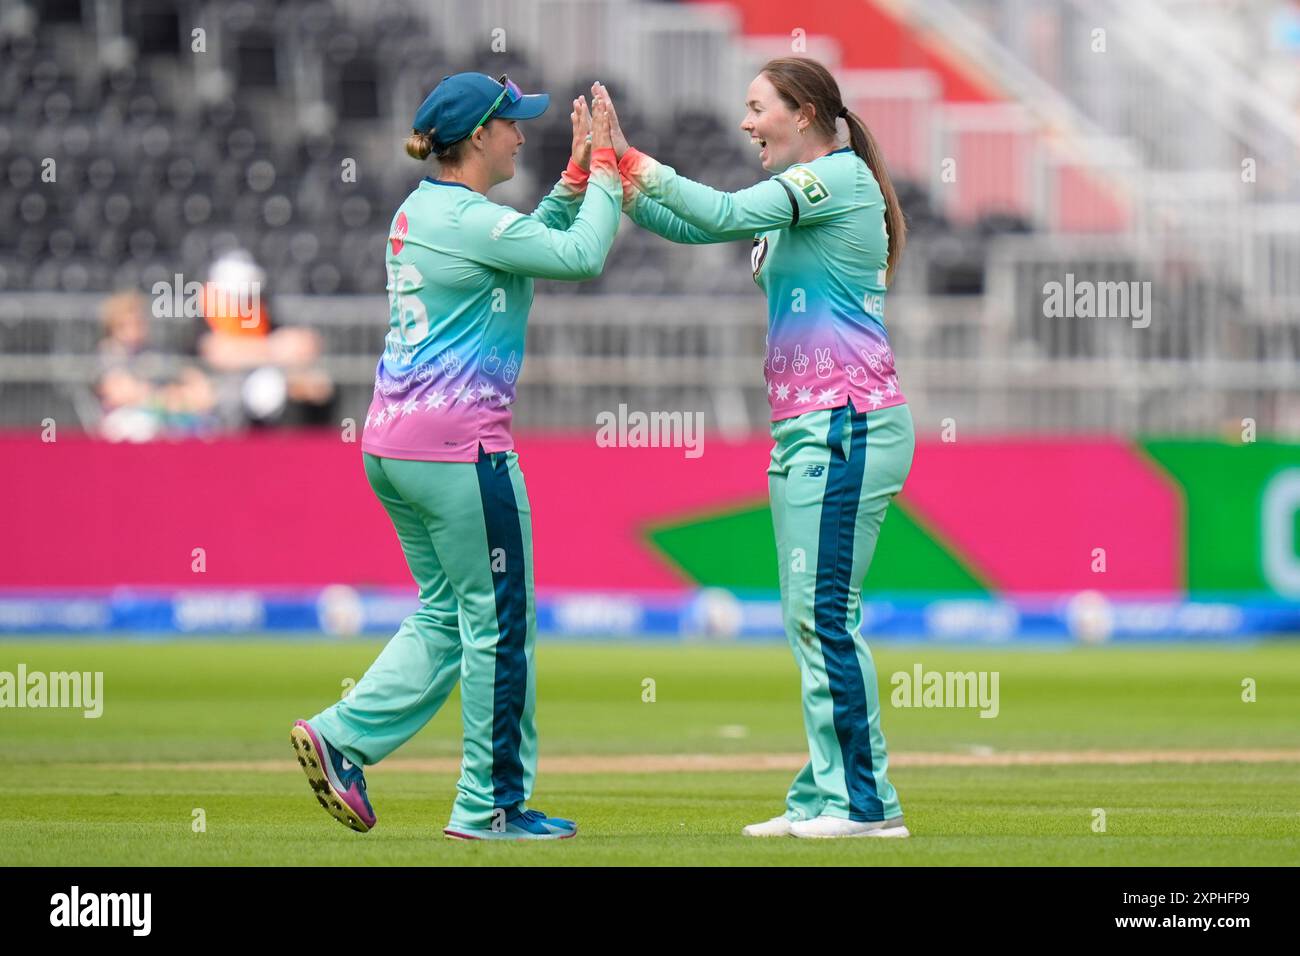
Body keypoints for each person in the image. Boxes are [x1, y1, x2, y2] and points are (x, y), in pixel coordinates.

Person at [291, 73, 621, 840]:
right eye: (512, 124)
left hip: (394, 448)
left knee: (447, 614)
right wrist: (606, 164)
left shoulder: (426, 212)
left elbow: (529, 245)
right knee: (499, 626)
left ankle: (341, 736)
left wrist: (574, 178)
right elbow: (579, 257)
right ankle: (491, 806)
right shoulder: (470, 220)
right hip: (460, 454)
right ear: (478, 137)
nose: (522, 135)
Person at [605, 58, 914, 839]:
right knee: (809, 618)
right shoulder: (799, 200)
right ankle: (823, 792)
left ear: (804, 113)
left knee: (825, 618)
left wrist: (635, 158)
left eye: (757, 107)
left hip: (848, 422)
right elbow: (688, 223)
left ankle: (868, 806)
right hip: (808, 427)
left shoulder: (835, 181)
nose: (745, 123)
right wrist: (612, 173)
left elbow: (714, 213)